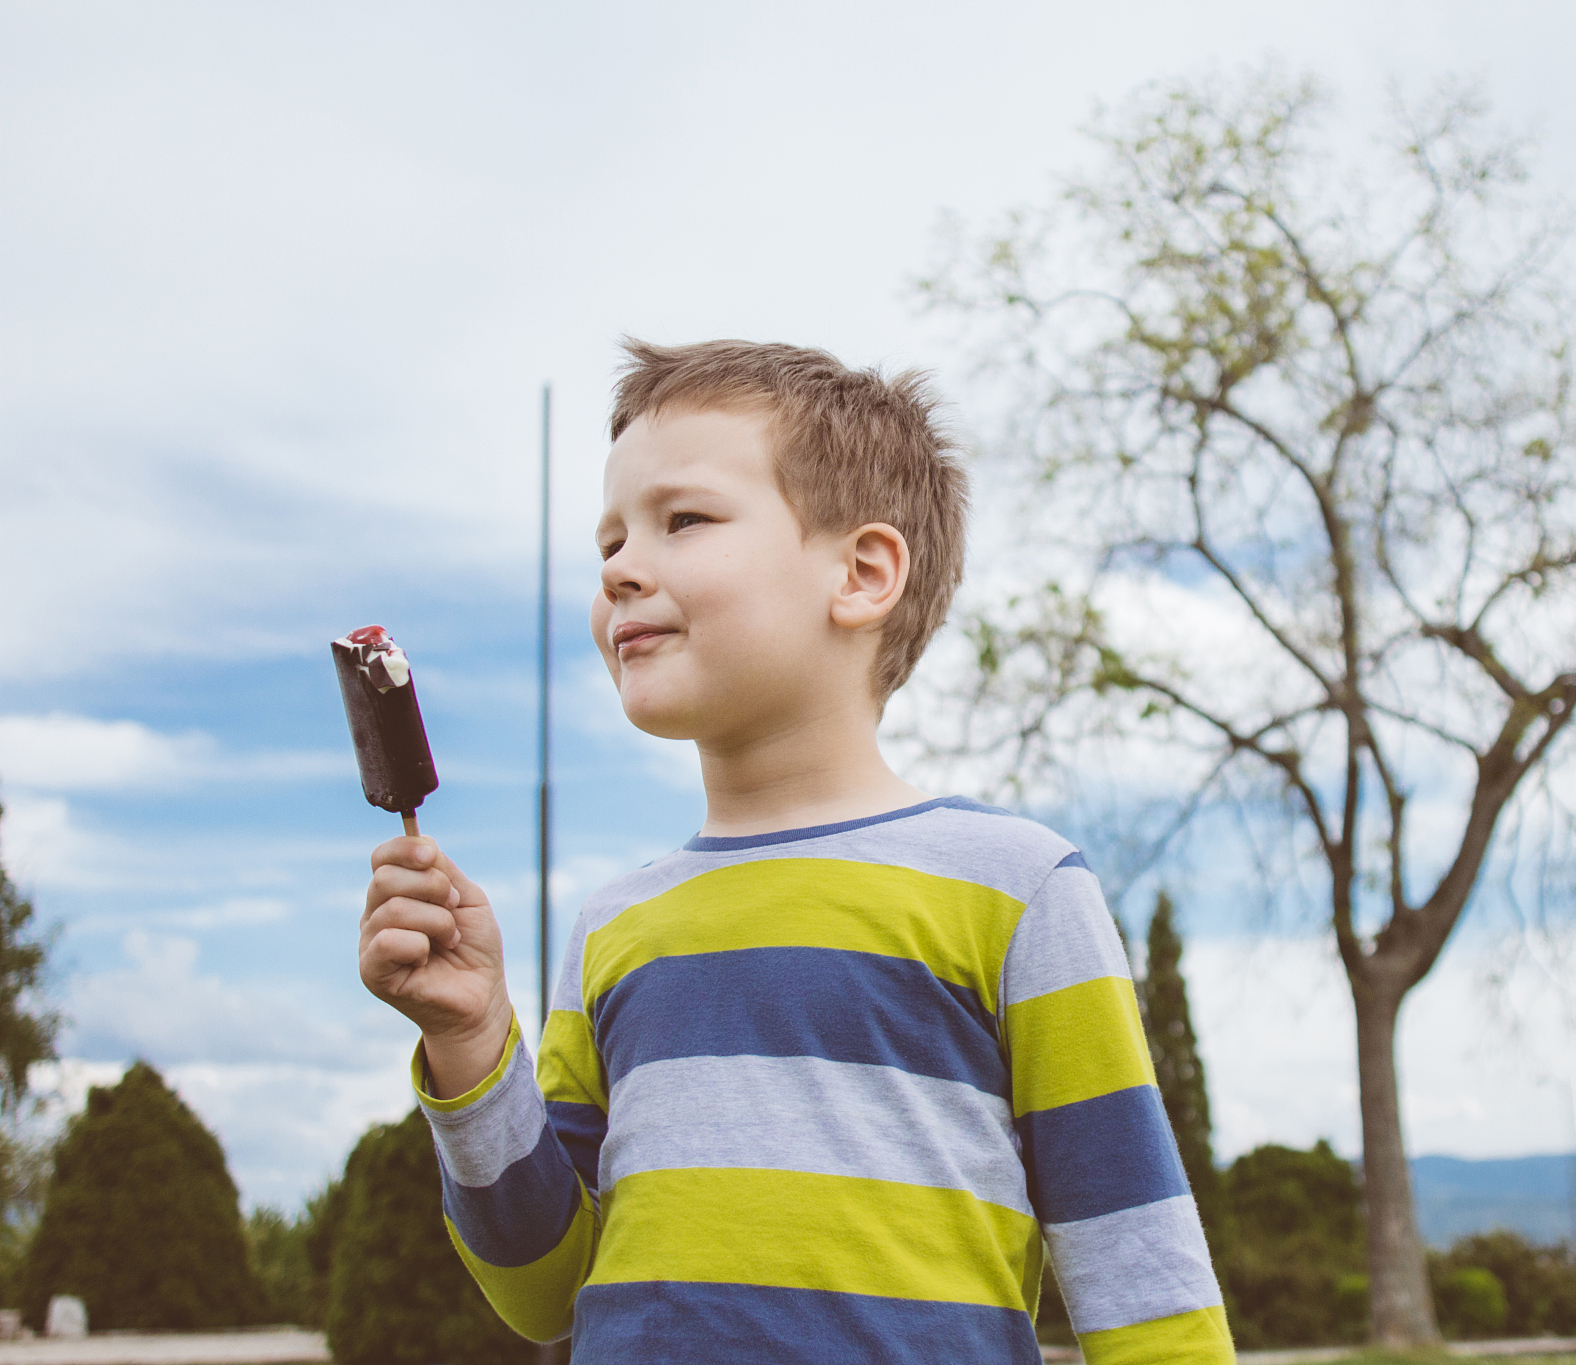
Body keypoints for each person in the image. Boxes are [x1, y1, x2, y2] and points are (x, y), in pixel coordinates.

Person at [357, 340, 1235, 1364]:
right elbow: (542, 1290)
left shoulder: (1014, 890)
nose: (619, 570)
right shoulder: (612, 928)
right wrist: (470, 1046)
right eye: (608, 543)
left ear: (861, 574)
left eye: (682, 521)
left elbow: (1139, 1273)